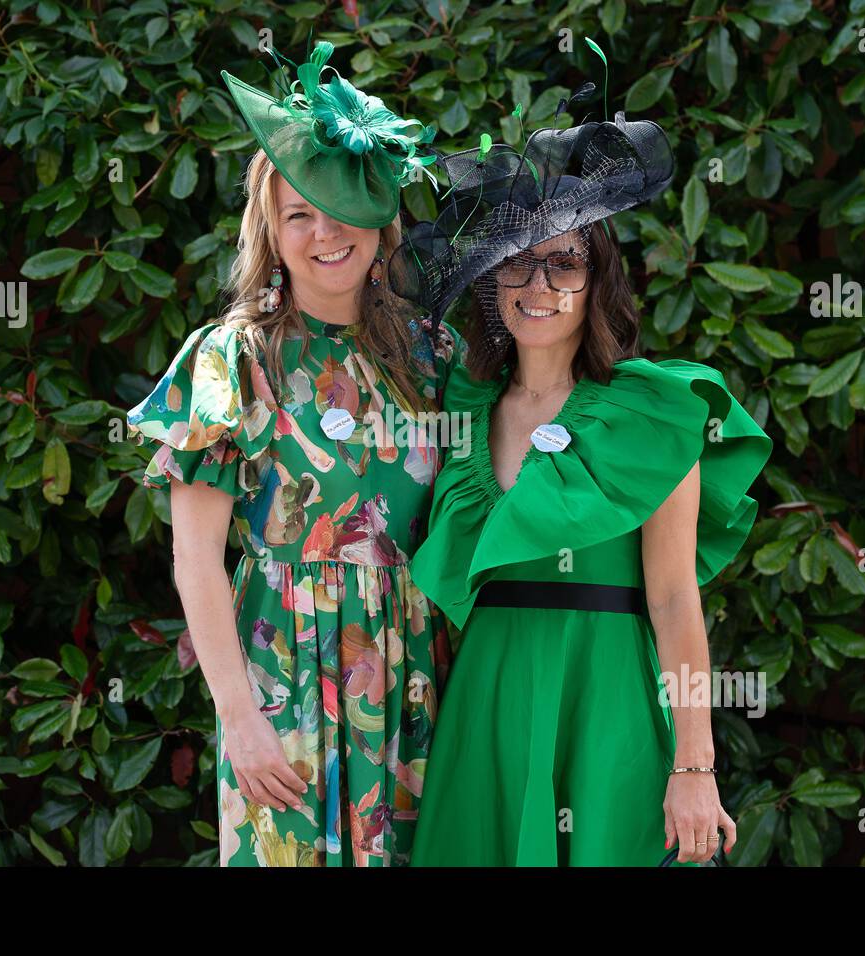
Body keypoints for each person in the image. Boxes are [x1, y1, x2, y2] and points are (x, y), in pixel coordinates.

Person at [388, 95, 773, 865]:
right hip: (489, 703)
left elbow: (674, 599)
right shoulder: (460, 412)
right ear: (491, 281)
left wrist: (694, 766)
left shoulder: (649, 414)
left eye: (563, 261)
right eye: (517, 262)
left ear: (596, 279)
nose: (538, 284)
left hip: (609, 702)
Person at [127, 40, 461, 866]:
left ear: (382, 218)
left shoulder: (437, 358)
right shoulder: (232, 358)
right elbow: (196, 554)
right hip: (281, 672)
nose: (325, 233)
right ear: (269, 229)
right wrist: (239, 717)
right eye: (298, 212)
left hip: (418, 672)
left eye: (341, 206)